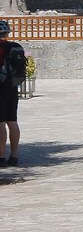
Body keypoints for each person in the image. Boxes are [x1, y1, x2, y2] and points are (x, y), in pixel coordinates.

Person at [0, 21, 25, 167]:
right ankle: (14, 156)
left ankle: (1, 157)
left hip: (0, 88)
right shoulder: (15, 47)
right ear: (7, 33)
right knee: (12, 121)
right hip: (12, 88)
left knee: (0, 123)